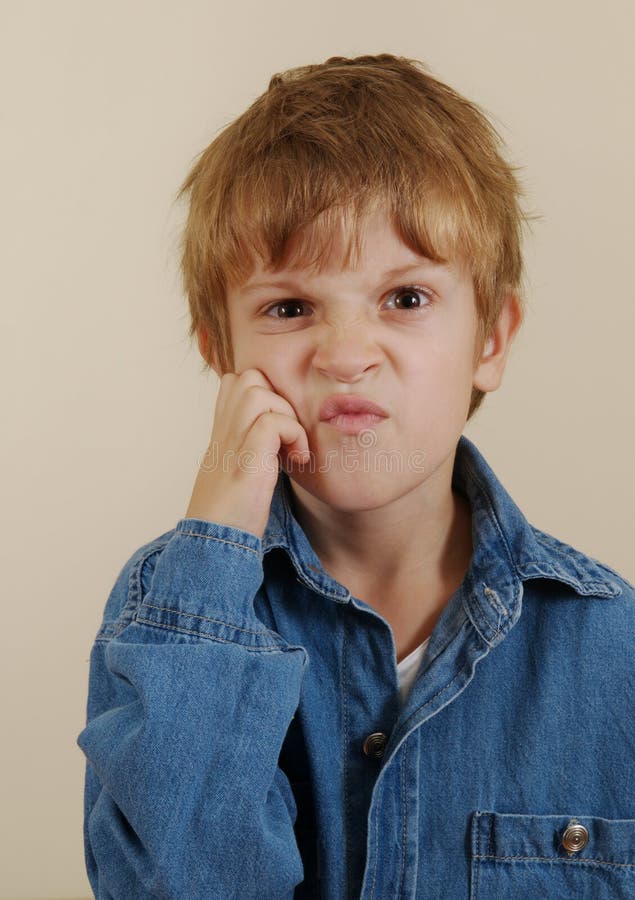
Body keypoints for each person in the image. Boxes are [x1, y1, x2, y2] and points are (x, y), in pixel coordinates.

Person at [77, 54, 634, 899]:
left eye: (404, 298)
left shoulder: (611, 644)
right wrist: (218, 530)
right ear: (217, 349)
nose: (343, 356)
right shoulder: (168, 611)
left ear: (490, 339)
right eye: (288, 308)